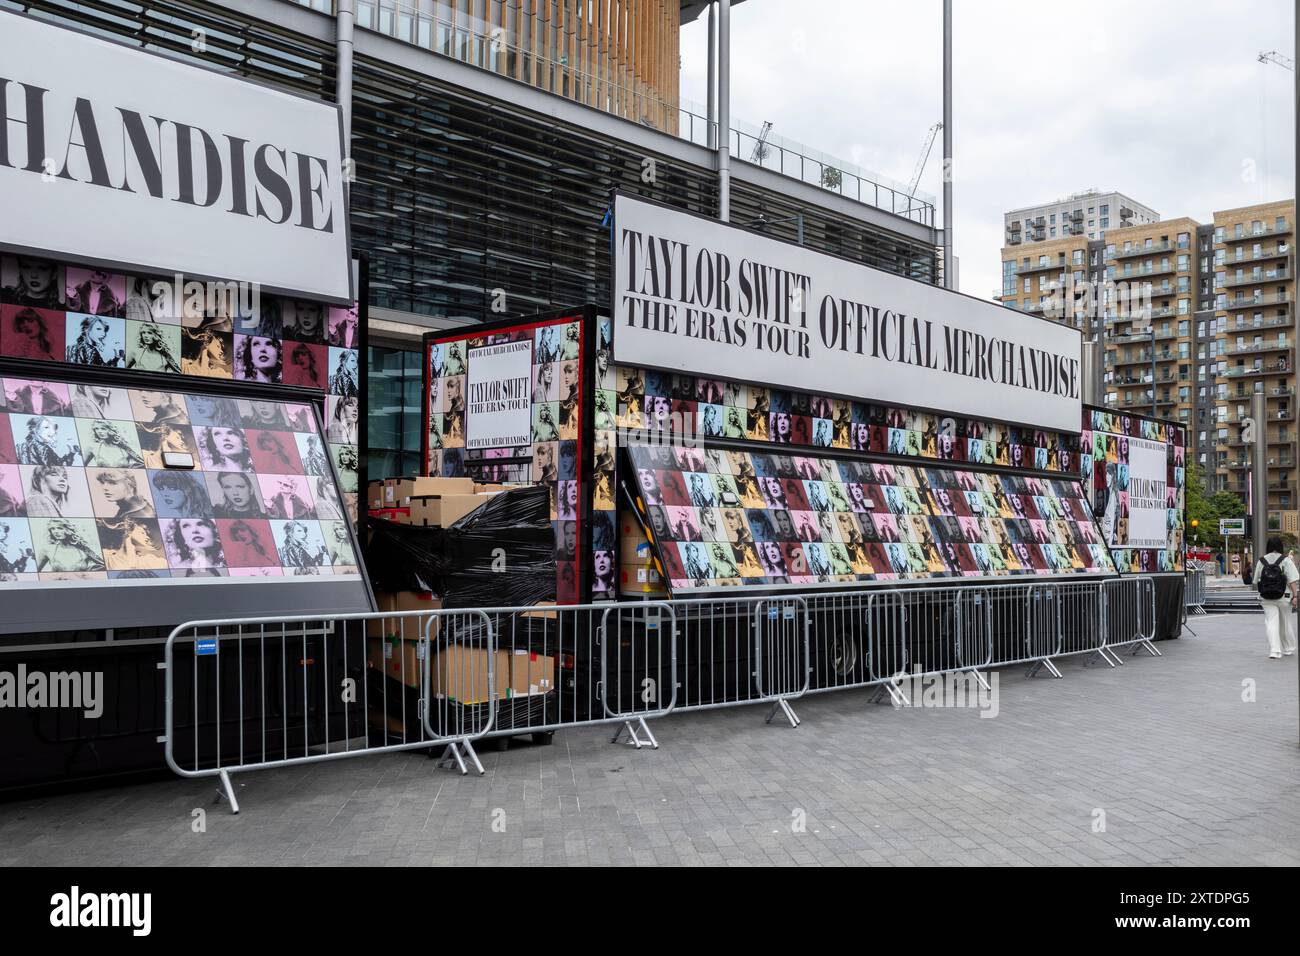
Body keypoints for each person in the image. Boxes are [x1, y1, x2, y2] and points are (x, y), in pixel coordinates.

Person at [1250, 537, 1298, 659]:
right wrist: (1295, 596)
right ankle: (1288, 648)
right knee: (1285, 622)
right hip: (1284, 597)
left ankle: (1274, 651)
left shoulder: (1262, 561)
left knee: (1271, 622)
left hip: (1266, 597)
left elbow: (1256, 581)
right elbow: (1292, 580)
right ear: (1280, 546)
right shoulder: (1286, 560)